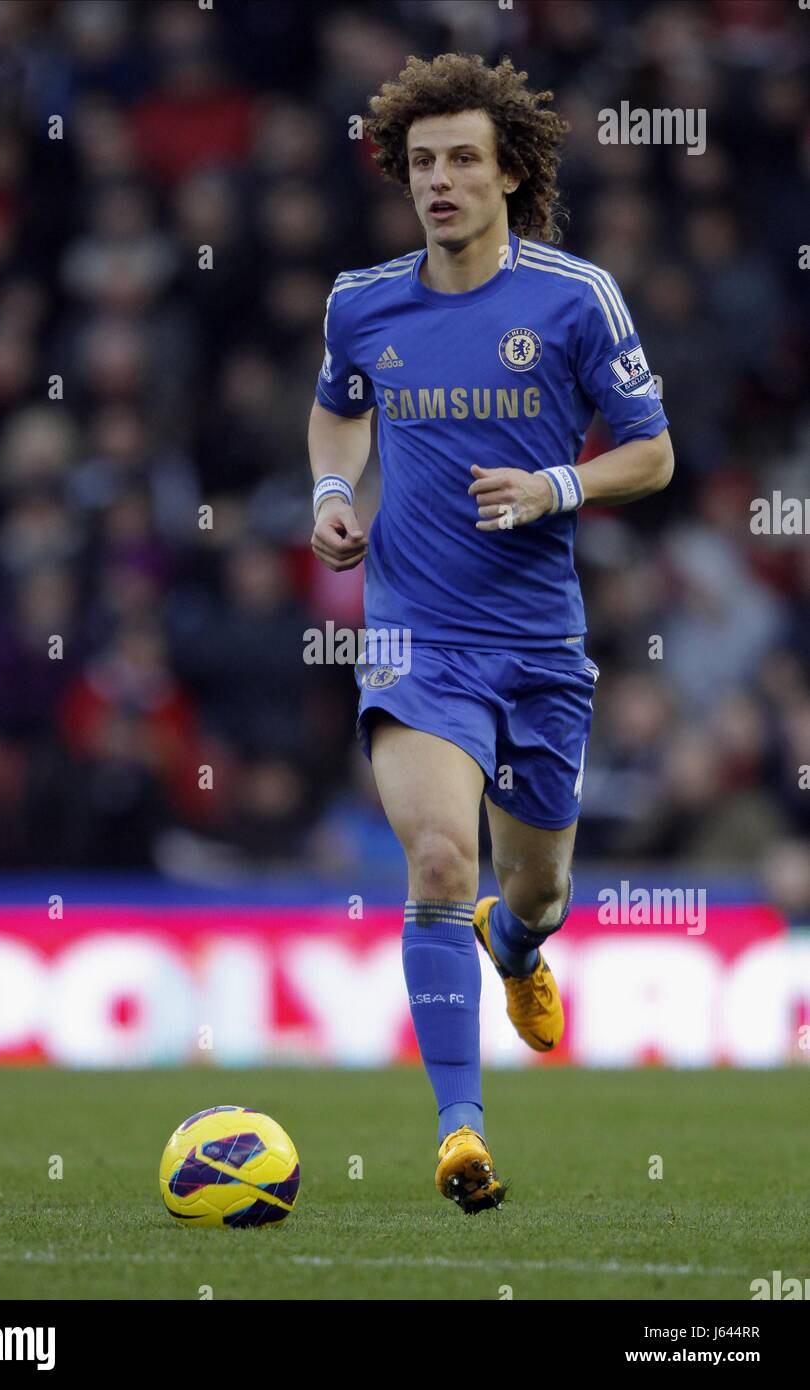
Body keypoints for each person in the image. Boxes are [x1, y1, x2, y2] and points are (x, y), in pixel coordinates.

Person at [308, 53, 673, 1214]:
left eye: (464, 158)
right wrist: (330, 493)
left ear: (510, 170)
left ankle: (515, 948)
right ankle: (461, 1132)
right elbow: (337, 408)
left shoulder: (574, 296)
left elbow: (653, 452)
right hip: (418, 638)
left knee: (537, 892)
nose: (441, 180)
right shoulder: (362, 303)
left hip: (540, 650)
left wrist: (553, 487)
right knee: (434, 859)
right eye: (422, 163)